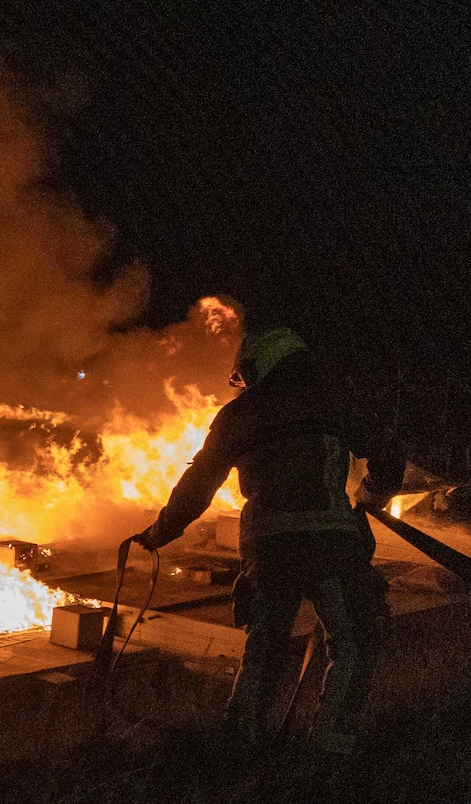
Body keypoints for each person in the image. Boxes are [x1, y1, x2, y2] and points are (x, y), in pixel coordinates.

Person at [132, 296, 404, 756]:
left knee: (265, 647)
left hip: (268, 550)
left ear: (261, 364)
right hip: (331, 547)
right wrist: (369, 498)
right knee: (357, 638)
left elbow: (199, 482)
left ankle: (242, 745)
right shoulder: (333, 402)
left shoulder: (239, 415)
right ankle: (331, 744)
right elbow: (389, 453)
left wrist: (160, 531)